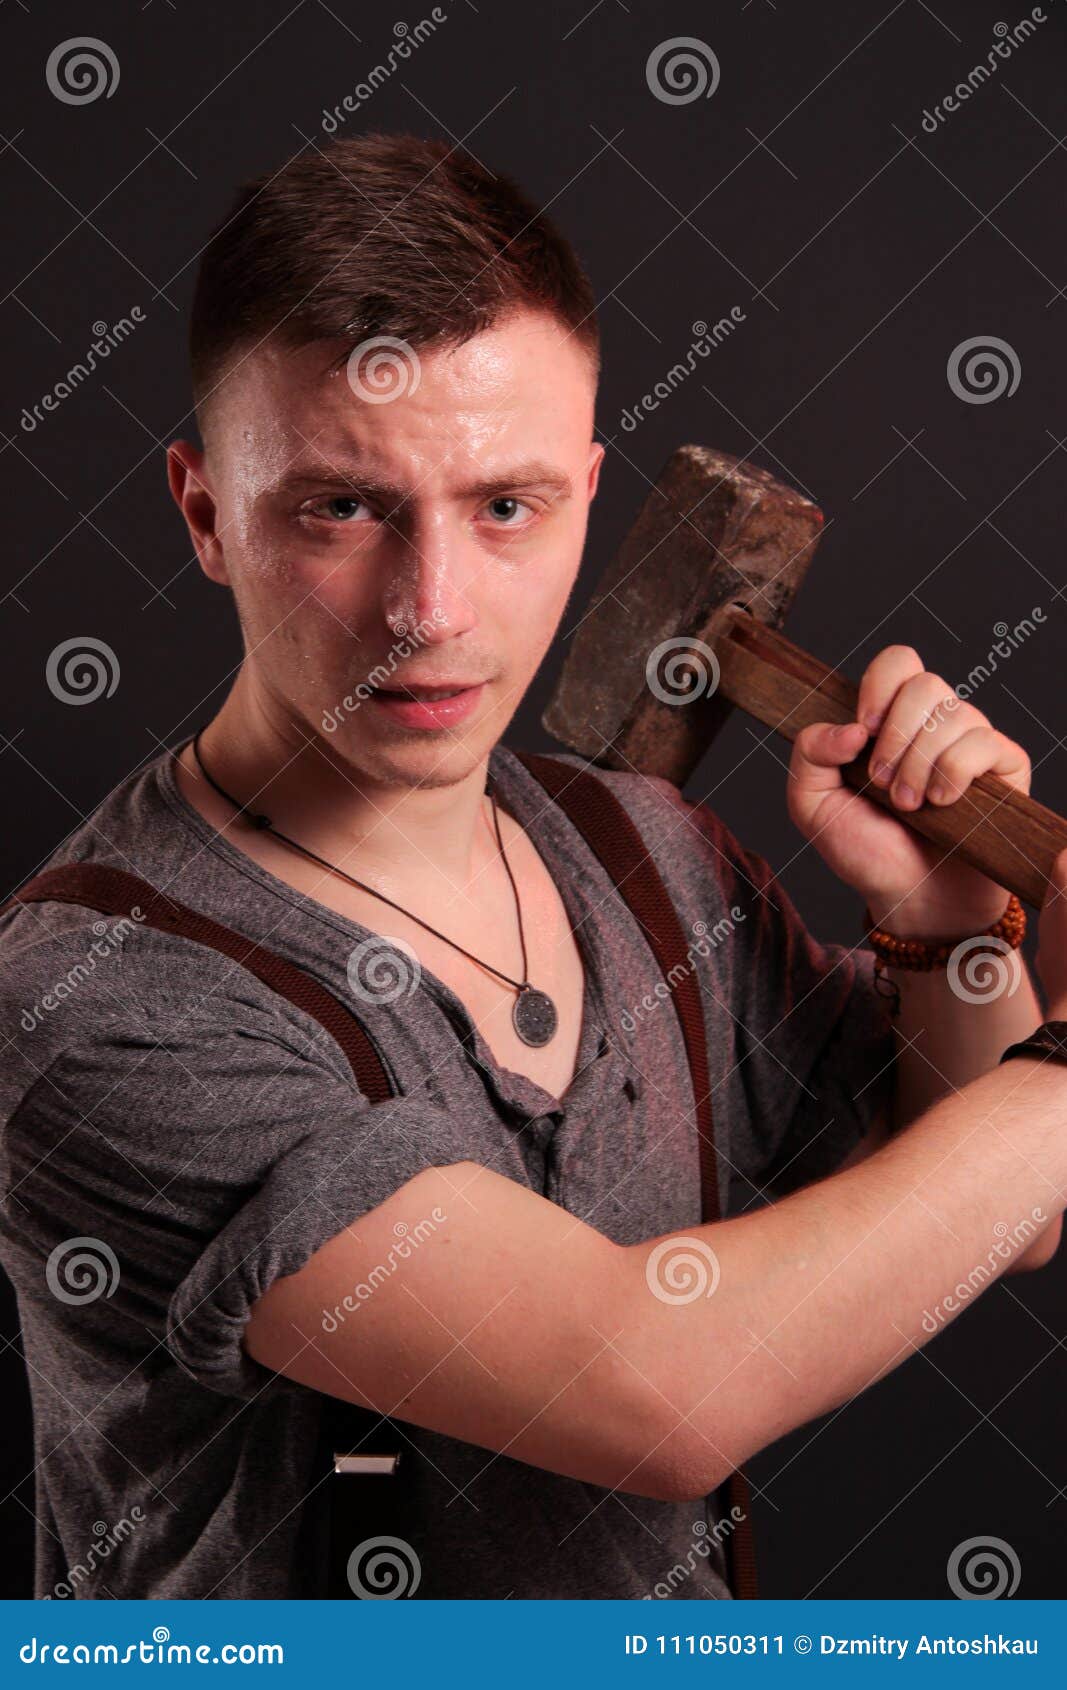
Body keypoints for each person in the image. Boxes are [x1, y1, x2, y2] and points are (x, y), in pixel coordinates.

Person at [0, 131, 1063, 1603]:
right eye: (343, 507)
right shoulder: (95, 993)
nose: (431, 611)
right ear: (204, 512)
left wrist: (953, 934)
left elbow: (997, 1210)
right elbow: (661, 1388)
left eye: (507, 506)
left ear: (586, 489)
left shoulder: (648, 857)